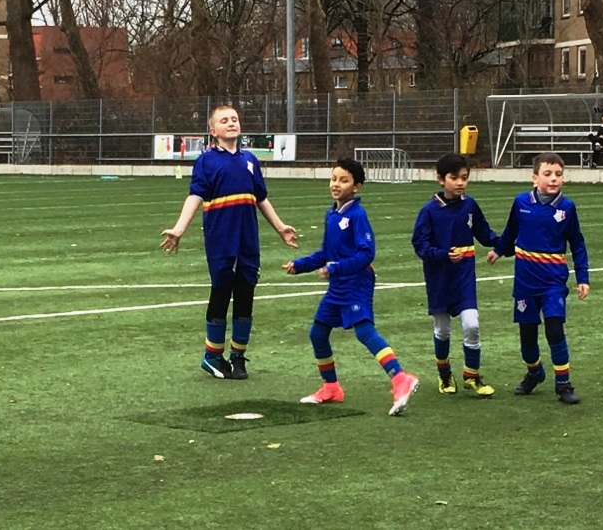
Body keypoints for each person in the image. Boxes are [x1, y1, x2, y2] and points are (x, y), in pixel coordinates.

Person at [161, 105, 298, 380]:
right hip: (221, 239)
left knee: (246, 295)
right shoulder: (207, 161)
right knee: (222, 292)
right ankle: (212, 356)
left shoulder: (250, 160)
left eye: (234, 119)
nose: (231, 123)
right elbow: (195, 196)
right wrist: (179, 229)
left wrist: (280, 227)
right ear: (213, 130)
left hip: (248, 240)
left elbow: (260, 198)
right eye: (224, 120)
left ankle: (238, 357)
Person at [284, 158, 421, 416]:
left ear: (356, 187)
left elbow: (366, 253)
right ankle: (332, 388)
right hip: (338, 285)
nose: (336, 184)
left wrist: (335, 268)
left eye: (343, 180)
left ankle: (400, 378)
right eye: (333, 178)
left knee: (364, 331)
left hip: (357, 281)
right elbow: (326, 251)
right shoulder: (331, 214)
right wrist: (300, 265)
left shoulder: (357, 215)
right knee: (318, 333)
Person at [486, 152, 590, 405]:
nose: (554, 179)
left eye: (558, 174)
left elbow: (577, 243)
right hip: (525, 282)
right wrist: (499, 250)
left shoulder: (567, 208)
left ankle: (563, 383)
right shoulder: (521, 203)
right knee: (527, 336)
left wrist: (583, 277)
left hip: (553, 282)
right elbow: (511, 231)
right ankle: (535, 373)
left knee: (555, 330)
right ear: (535, 178)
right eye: (548, 174)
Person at [412, 153, 499, 397]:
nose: (460, 183)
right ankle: (444, 374)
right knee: (442, 330)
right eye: (454, 178)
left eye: (465, 178)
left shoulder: (469, 206)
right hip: (439, 277)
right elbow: (419, 244)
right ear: (440, 179)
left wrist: (505, 245)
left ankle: (472, 376)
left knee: (472, 324)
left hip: (464, 276)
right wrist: (441, 254)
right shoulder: (429, 211)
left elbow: (484, 233)